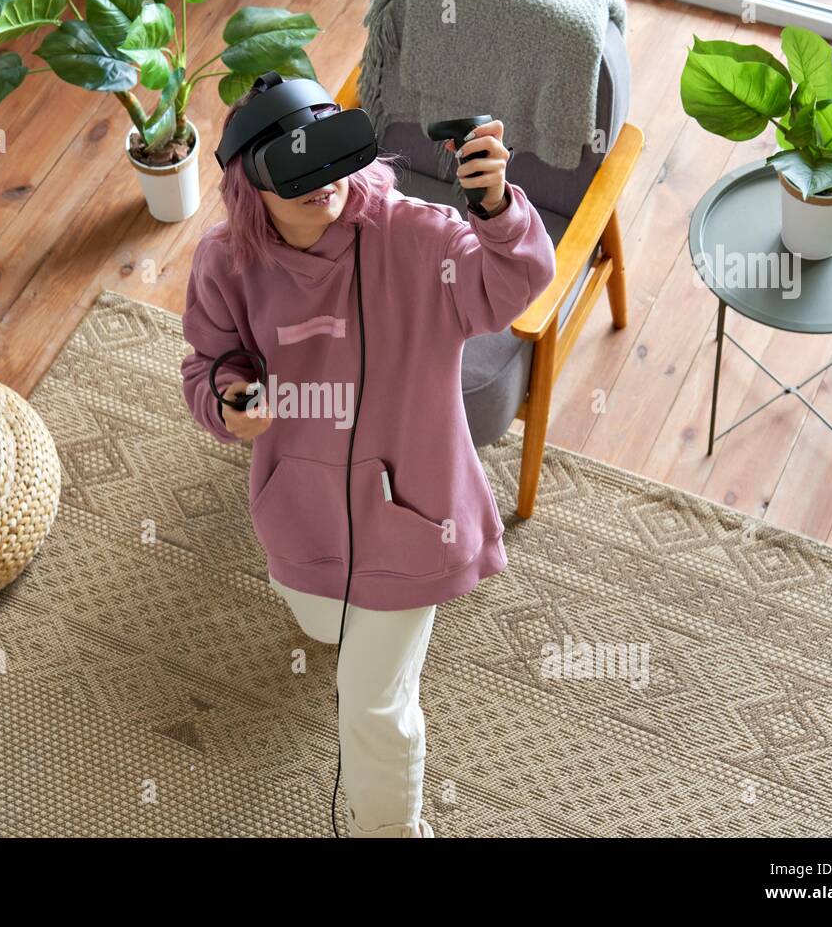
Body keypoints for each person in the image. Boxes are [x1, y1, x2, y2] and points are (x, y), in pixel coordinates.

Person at [180, 80, 556, 837]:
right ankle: (385, 642)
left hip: (413, 515)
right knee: (326, 630)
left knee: (372, 702)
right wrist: (228, 400)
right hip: (301, 513)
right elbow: (209, 360)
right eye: (298, 170)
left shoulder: (416, 237)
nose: (325, 184)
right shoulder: (226, 260)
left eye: (332, 160)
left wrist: (495, 209)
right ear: (251, 185)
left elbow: (509, 285)